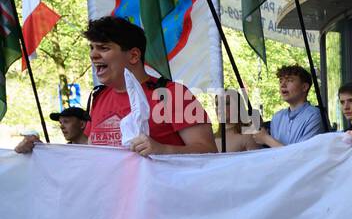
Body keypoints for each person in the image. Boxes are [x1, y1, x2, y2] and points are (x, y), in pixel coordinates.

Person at [15, 17, 216, 157]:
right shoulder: (99, 97)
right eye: (92, 48)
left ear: (134, 56)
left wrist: (163, 150)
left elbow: (209, 152)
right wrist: (42, 153)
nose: (93, 55)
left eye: (103, 48)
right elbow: (92, 152)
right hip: (112, 210)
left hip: (161, 209)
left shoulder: (172, 94)